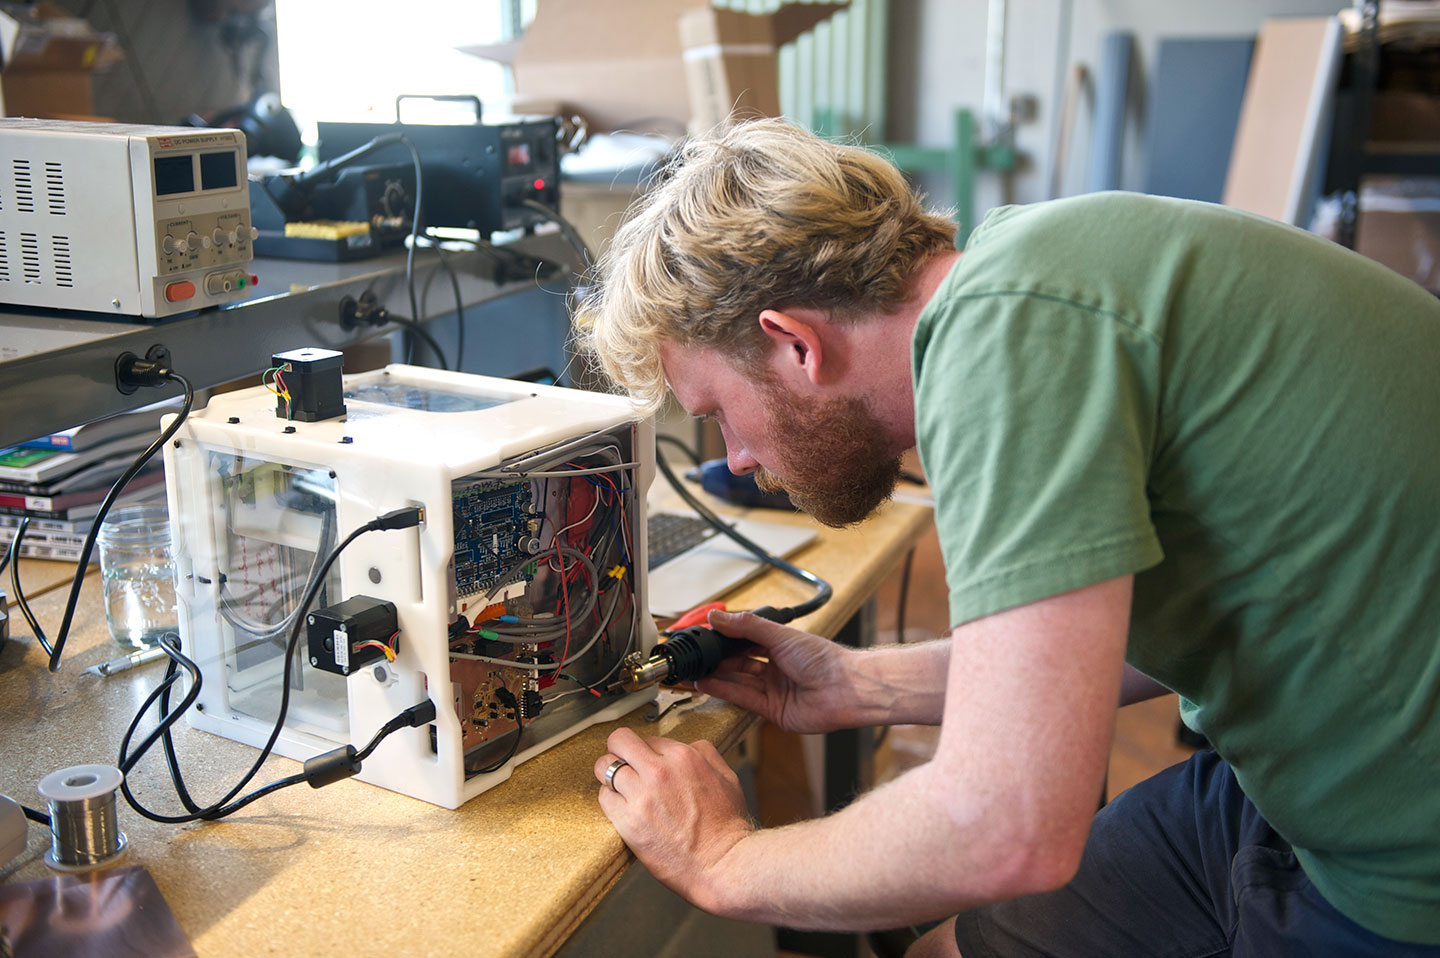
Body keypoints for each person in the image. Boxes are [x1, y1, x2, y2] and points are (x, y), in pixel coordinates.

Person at [573, 118, 1440, 957]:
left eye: (720, 412)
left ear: (795, 344)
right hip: (1307, 787)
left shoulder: (1005, 344)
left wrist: (721, 858)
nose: (735, 457)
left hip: (1404, 866)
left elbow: (1010, 829)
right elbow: (1130, 630)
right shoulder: (1035, 271)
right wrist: (861, 683)